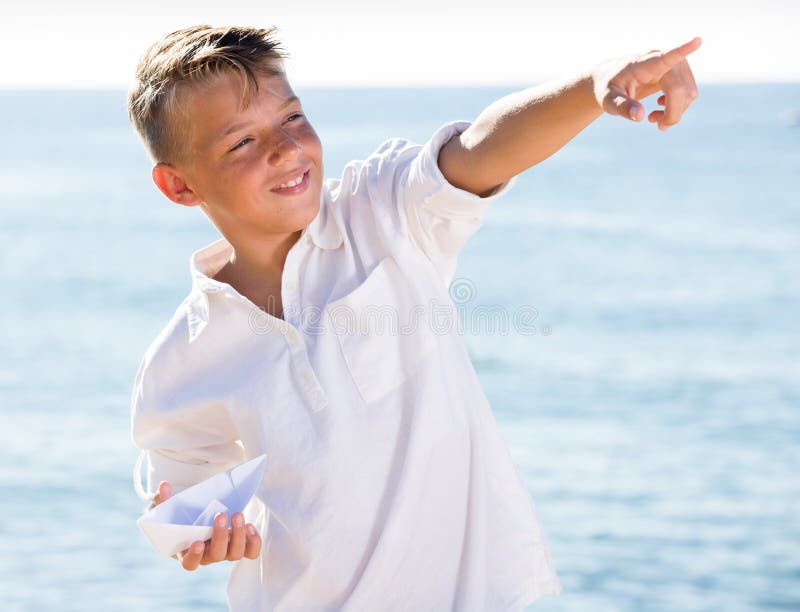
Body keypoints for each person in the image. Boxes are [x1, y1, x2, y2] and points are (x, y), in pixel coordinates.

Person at [128, 24, 701, 611]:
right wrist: (203, 535)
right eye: (241, 143)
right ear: (179, 185)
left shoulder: (382, 211)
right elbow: (186, 507)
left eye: (292, 119)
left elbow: (481, 147)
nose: (286, 150)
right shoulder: (182, 357)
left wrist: (592, 85)